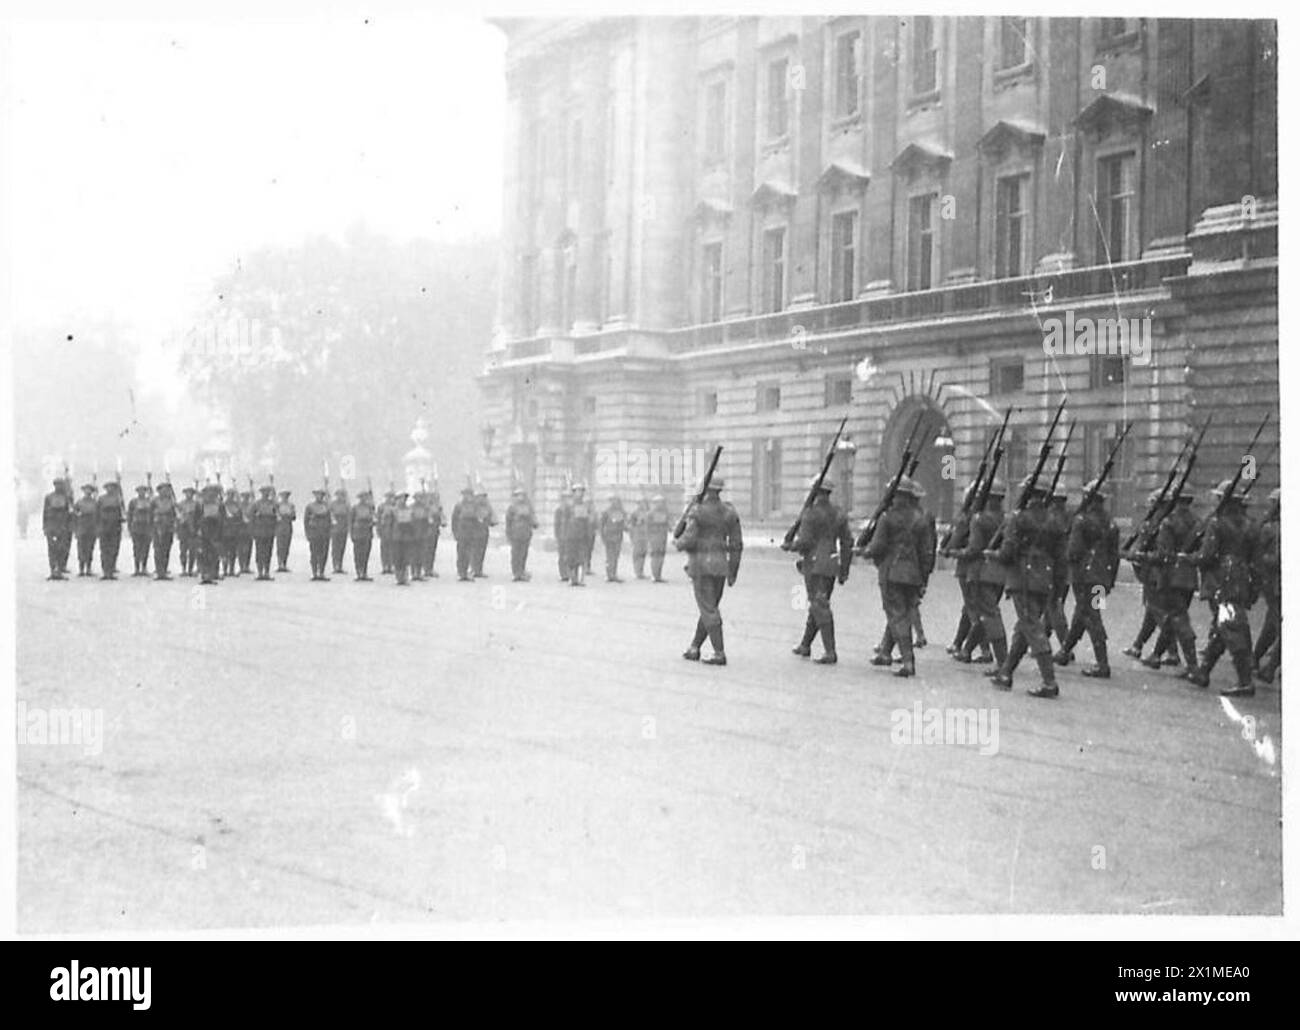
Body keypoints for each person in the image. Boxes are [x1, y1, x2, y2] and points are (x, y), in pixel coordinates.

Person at [991, 476, 1063, 697]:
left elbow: (1007, 551)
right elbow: (1061, 557)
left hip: (1022, 579)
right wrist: (1057, 588)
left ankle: (1049, 681)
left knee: (1031, 627)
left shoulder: (1018, 518)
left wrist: (993, 554)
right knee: (1024, 628)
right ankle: (1006, 673)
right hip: (1045, 580)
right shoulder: (1054, 520)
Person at [1186, 482, 1260, 696]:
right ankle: (1203, 671)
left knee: (1230, 629)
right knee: (1223, 626)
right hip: (1242, 578)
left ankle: (1245, 681)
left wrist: (1189, 558)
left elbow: (1207, 556)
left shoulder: (1217, 524)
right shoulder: (1251, 525)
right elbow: (1254, 560)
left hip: (1222, 581)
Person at [863, 477, 934, 677]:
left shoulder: (887, 518)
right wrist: (923, 579)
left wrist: (866, 552)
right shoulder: (920, 519)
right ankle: (886, 652)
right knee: (901, 613)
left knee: (896, 615)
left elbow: (878, 547)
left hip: (891, 572)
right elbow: (926, 553)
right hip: (913, 575)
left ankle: (908, 661)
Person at [1054, 481, 1120, 678]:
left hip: (1083, 577)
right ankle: (1065, 651)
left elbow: (1073, 551)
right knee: (1084, 612)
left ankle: (1102, 664)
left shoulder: (1081, 520)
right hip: (1101, 577)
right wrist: (1110, 580)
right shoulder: (1111, 522)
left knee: (1091, 616)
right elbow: (1114, 556)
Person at [675, 476, 742, 665]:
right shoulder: (729, 511)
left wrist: (678, 543)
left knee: (709, 609)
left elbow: (689, 538)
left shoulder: (697, 511)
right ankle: (694, 647)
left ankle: (719, 652)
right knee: (710, 607)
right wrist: (733, 570)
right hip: (720, 566)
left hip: (701, 565)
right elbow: (736, 544)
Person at [788, 478, 852, 664]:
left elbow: (805, 542)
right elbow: (847, 542)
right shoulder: (838, 513)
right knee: (818, 604)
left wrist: (791, 546)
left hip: (815, 564)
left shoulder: (811, 513)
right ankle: (805, 644)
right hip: (831, 563)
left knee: (819, 606)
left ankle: (830, 651)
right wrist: (844, 569)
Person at [956, 483, 1007, 669]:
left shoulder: (979, 519)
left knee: (987, 615)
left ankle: (1002, 663)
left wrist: (956, 553)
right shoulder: (1006, 518)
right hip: (1000, 574)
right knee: (986, 614)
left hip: (979, 572)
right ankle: (967, 649)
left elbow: (974, 549)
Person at [1154, 490, 1202, 676]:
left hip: (1171, 577)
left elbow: (1163, 554)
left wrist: (1142, 556)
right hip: (1189, 577)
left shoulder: (1168, 522)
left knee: (1179, 619)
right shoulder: (1198, 521)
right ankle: (1157, 654)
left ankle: (1193, 667)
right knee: (1175, 616)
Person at [1253, 487, 1280, 683]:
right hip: (1275, 582)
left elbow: (1260, 554)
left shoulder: (1270, 528)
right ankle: (1257, 659)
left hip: (1275, 582)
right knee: (1273, 623)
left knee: (1276, 624)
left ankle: (1268, 667)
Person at [41, 477, 73, 581]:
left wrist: (70, 527)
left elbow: (70, 513)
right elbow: (45, 513)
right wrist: (45, 527)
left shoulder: (67, 498)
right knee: (52, 549)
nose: (59, 487)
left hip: (63, 527)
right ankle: (53, 570)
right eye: (57, 485)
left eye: (61, 485)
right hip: (52, 526)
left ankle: (59, 569)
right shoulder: (49, 497)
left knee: (61, 549)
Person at [505, 487, 538, 581]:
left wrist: (534, 523)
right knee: (516, 554)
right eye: (518, 495)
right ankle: (516, 572)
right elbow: (508, 522)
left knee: (523, 554)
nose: (521, 497)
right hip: (515, 534)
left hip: (526, 534)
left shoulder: (528, 507)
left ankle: (522, 570)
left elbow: (532, 518)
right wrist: (508, 535)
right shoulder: (512, 508)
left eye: (522, 495)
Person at [565, 484, 595, 587]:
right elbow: (564, 521)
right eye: (577, 491)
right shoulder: (569, 506)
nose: (579, 494)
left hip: (583, 536)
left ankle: (581, 579)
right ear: (573, 493)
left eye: (581, 491)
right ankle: (572, 578)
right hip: (571, 535)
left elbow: (589, 521)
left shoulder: (586, 506)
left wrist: (589, 533)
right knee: (571, 558)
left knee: (582, 558)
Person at [196, 483, 225, 584]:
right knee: (204, 554)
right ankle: (205, 574)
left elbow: (223, 519)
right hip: (204, 532)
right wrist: (197, 531)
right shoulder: (200, 505)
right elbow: (196, 518)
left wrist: (220, 533)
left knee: (215, 554)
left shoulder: (219, 505)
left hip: (216, 532)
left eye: (213, 493)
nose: (211, 495)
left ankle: (213, 573)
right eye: (209, 493)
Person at [96, 481, 125, 580]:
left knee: (114, 550)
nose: (110, 489)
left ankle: (111, 570)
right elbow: (97, 513)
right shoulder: (101, 499)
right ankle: (105, 571)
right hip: (104, 527)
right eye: (108, 487)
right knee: (104, 550)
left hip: (115, 527)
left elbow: (122, 513)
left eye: (112, 487)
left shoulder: (118, 499)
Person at [249, 485, 279, 580]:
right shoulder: (256, 504)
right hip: (259, 532)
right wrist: (252, 531)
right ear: (261, 493)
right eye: (264, 492)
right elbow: (251, 518)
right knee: (259, 552)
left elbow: (277, 517)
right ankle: (260, 572)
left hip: (269, 532)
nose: (266, 494)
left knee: (268, 553)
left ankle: (266, 572)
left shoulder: (273, 504)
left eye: (268, 493)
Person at [303, 487, 333, 581]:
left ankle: (322, 572)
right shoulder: (310, 506)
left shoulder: (327, 506)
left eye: (320, 495)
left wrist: (330, 532)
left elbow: (330, 520)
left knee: (323, 554)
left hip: (324, 533)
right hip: (314, 533)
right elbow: (306, 521)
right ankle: (314, 572)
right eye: (317, 494)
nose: (319, 496)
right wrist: (307, 534)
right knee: (314, 553)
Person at [151, 481, 179, 580]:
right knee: (158, 550)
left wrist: (174, 526)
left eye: (167, 490)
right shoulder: (154, 501)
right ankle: (159, 571)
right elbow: (150, 514)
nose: (166, 491)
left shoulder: (172, 501)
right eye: (163, 489)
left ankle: (164, 569)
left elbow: (176, 515)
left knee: (166, 550)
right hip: (157, 528)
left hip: (168, 528)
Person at [129, 483, 156, 575]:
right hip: (136, 527)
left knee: (145, 548)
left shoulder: (150, 502)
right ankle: (136, 568)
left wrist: (152, 528)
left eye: (144, 491)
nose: (142, 493)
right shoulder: (133, 502)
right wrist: (130, 528)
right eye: (140, 491)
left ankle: (144, 567)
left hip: (146, 527)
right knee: (136, 549)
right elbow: (130, 515)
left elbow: (153, 515)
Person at [599, 494, 627, 582]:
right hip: (609, 537)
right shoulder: (606, 512)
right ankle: (609, 575)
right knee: (609, 556)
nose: (616, 503)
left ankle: (614, 574)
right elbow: (601, 525)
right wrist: (603, 536)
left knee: (615, 556)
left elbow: (623, 524)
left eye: (617, 501)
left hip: (618, 537)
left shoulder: (621, 512)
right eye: (613, 501)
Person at [72, 483, 99, 577]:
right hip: (82, 527)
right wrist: (75, 529)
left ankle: (88, 568)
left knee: (90, 548)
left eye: (89, 490)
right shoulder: (79, 502)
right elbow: (74, 515)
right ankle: (81, 568)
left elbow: (98, 516)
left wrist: (97, 529)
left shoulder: (95, 503)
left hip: (92, 528)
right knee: (81, 549)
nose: (88, 492)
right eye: (86, 490)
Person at [350, 488, 377, 581]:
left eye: (366, 497)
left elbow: (374, 520)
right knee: (358, 554)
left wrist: (373, 521)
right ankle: (359, 572)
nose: (364, 499)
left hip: (367, 533)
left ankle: (364, 572)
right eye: (362, 497)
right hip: (358, 533)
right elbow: (351, 522)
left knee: (366, 554)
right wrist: (351, 534)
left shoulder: (370, 508)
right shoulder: (354, 508)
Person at [391, 491, 417, 585]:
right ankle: (399, 577)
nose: (403, 501)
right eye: (401, 498)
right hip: (396, 537)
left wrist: (413, 535)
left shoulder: (409, 510)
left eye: (404, 499)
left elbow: (413, 523)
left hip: (407, 537)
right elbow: (389, 524)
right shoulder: (393, 511)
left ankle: (405, 577)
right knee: (398, 558)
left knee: (406, 558)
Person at [452, 486, 476, 582]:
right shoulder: (459, 506)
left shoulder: (474, 506)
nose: (468, 497)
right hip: (462, 533)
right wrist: (455, 533)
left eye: (469, 494)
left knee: (469, 554)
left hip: (472, 533)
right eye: (466, 495)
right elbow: (454, 520)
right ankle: (461, 572)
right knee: (461, 554)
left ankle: (467, 571)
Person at [220, 487, 244, 578]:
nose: (230, 496)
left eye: (232, 495)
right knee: (225, 552)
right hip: (225, 532)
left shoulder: (237, 506)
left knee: (233, 552)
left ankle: (231, 570)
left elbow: (240, 518)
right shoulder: (222, 506)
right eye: (229, 494)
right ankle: (225, 570)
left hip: (234, 532)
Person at [646, 494, 671, 582]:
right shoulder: (650, 514)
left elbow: (668, 525)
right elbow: (647, 527)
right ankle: (654, 575)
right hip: (654, 538)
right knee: (655, 556)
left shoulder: (666, 513)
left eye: (662, 502)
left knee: (661, 557)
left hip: (663, 537)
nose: (660, 504)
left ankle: (658, 575)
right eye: (658, 503)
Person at [471, 488, 495, 577]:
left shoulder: (487, 507)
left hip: (484, 532)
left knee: (481, 552)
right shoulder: (472, 507)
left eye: (483, 496)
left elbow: (491, 519)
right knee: (474, 552)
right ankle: (474, 569)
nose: (482, 499)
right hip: (474, 532)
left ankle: (478, 570)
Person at [177, 486, 199, 576]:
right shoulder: (181, 504)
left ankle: (190, 569)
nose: (188, 494)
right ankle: (183, 569)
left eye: (190, 493)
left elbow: (198, 517)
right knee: (183, 551)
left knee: (192, 551)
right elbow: (177, 516)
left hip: (193, 530)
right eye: (187, 493)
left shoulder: (197, 504)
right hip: (183, 530)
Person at [329, 488, 351, 575]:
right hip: (335, 528)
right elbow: (330, 515)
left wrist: (349, 528)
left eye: (342, 495)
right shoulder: (332, 504)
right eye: (339, 495)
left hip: (343, 527)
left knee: (342, 547)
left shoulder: (346, 504)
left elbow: (349, 516)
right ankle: (335, 565)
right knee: (335, 548)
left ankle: (340, 565)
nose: (341, 497)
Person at [423, 488, 444, 578]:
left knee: (431, 552)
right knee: (425, 551)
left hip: (434, 532)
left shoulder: (436, 509)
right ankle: (425, 569)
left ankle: (429, 568)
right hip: (425, 533)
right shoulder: (425, 508)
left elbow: (441, 521)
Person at [554, 490, 574, 582]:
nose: (568, 500)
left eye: (569, 497)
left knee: (570, 555)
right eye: (566, 498)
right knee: (562, 555)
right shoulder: (559, 510)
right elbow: (557, 524)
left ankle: (569, 572)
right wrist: (557, 536)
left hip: (571, 535)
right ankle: (563, 574)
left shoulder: (573, 509)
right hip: (562, 535)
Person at [274, 490, 296, 573]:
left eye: (286, 496)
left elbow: (294, 517)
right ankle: (280, 563)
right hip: (280, 527)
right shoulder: (277, 505)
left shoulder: (291, 505)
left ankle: (284, 563)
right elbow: (275, 515)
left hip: (288, 526)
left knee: (286, 545)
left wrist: (289, 514)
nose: (285, 498)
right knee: (280, 546)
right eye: (283, 496)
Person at [628, 497, 650, 579]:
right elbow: (630, 525)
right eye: (640, 503)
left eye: (643, 503)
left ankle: (641, 571)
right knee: (637, 554)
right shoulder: (634, 513)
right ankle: (637, 572)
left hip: (645, 536)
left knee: (643, 554)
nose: (642, 505)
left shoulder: (647, 513)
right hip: (637, 535)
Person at [377, 489, 397, 575]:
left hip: (394, 531)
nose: (390, 499)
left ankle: (391, 566)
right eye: (389, 497)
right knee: (384, 549)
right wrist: (378, 530)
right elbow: (378, 519)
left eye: (392, 497)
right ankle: (385, 566)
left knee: (393, 549)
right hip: (384, 530)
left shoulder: (396, 507)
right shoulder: (381, 507)